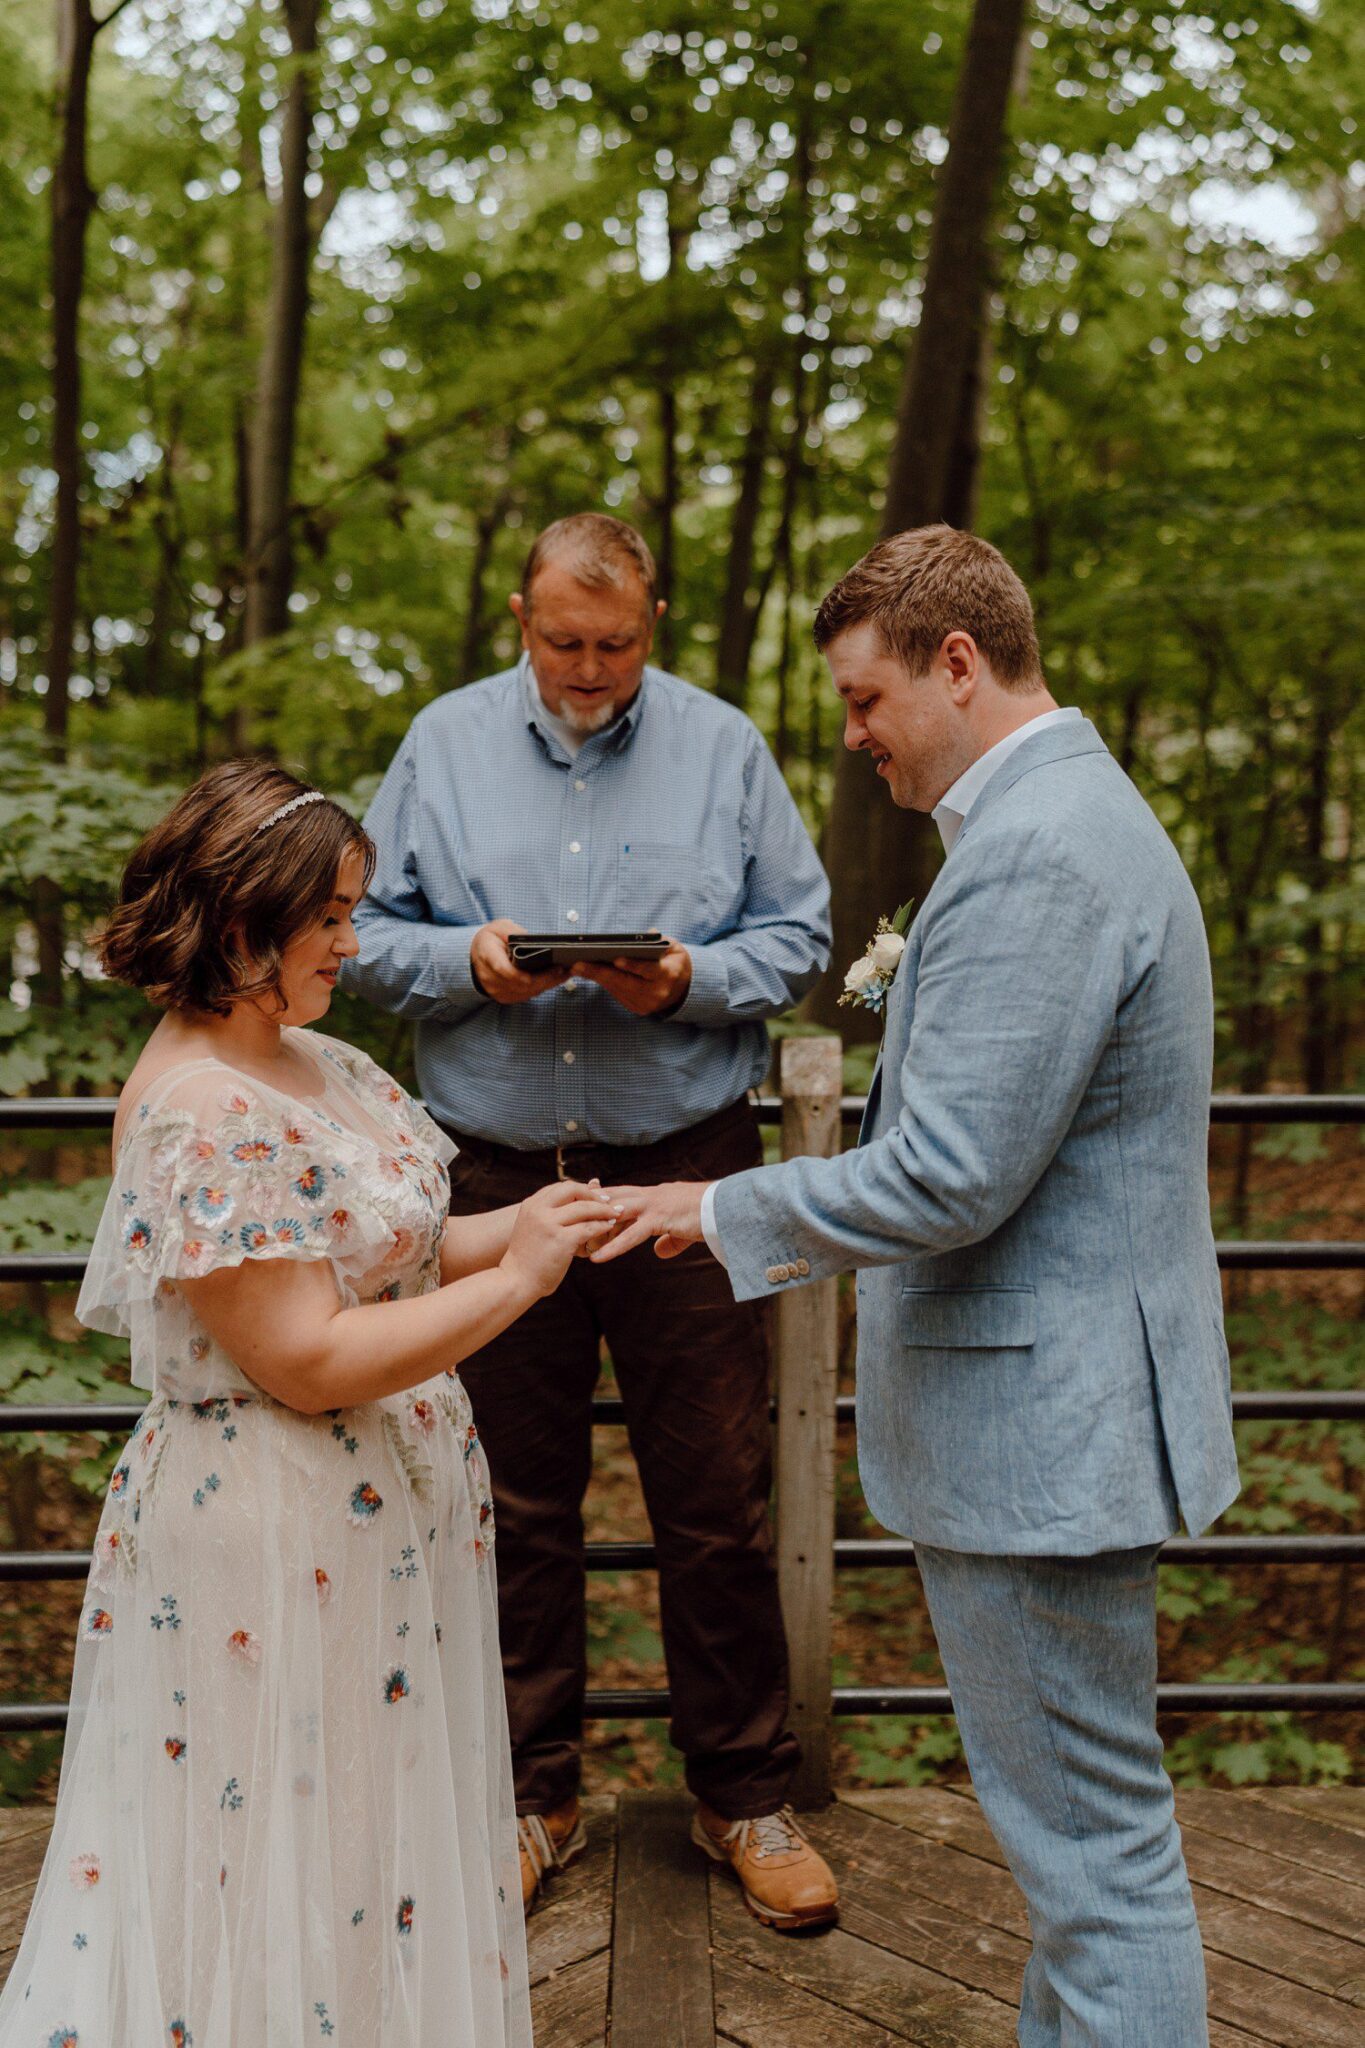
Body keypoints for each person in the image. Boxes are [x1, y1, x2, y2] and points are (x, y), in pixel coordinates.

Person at [595, 525, 1242, 2046]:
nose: (854, 734)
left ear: (957, 664)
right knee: (1078, 1836)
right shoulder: (1065, 822)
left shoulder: (1040, 851)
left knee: (1094, 1854)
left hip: (1047, 1427)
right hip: (1058, 1412)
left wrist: (715, 1205)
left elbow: (952, 1174)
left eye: (866, 697)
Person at [0, 761, 619, 2048]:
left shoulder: (311, 1059)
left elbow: (397, 1242)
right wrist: (525, 1281)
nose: (354, 938)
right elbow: (308, 1357)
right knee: (273, 1855)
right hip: (271, 1538)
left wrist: (539, 1220)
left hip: (374, 1527)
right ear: (242, 927)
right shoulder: (203, 1113)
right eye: (331, 915)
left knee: (356, 1854)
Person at [345, 511, 840, 1929]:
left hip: (680, 1173)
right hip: (493, 1177)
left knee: (714, 1495)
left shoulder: (725, 747)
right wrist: (466, 963)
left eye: (614, 645)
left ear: (655, 622)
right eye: (562, 641)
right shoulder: (438, 743)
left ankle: (744, 1797)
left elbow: (800, 939)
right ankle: (524, 1797)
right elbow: (360, 937)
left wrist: (684, 974)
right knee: (506, 1499)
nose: (587, 668)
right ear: (519, 614)